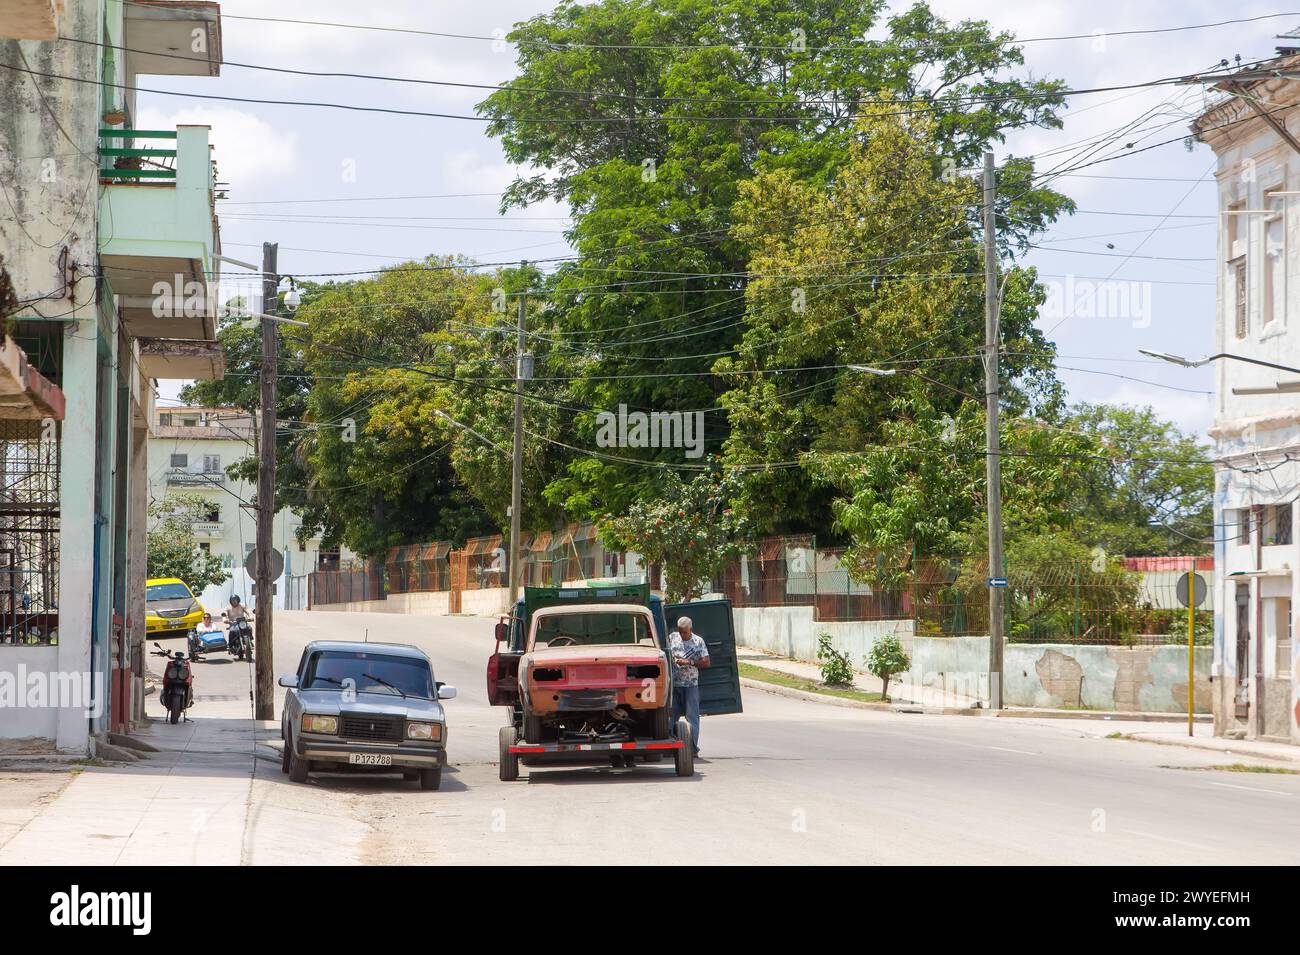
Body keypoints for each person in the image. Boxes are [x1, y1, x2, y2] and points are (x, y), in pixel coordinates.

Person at [669, 615, 709, 757]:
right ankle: (670, 746)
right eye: (680, 631)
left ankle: (692, 748)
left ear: (690, 629)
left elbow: (706, 662)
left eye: (684, 631)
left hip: (691, 685)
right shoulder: (672, 637)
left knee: (692, 718)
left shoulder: (698, 641)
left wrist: (689, 662)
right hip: (674, 684)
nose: (682, 634)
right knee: (670, 717)